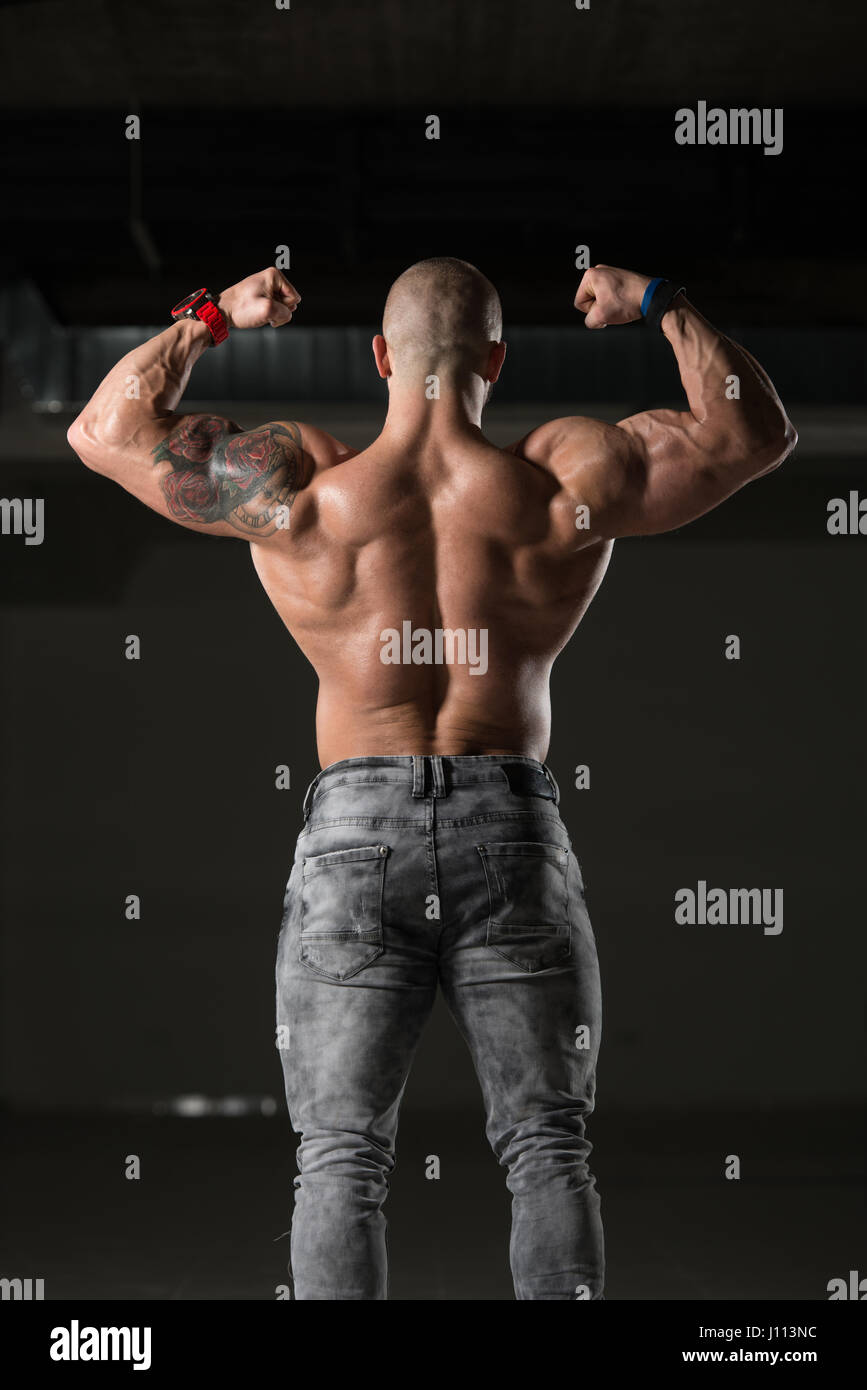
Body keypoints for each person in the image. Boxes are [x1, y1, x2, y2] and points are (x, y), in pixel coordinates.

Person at [67, 258, 796, 1299]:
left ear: (378, 357)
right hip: (511, 824)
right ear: (497, 359)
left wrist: (212, 318)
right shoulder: (561, 481)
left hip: (354, 834)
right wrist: (662, 301)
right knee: (547, 1145)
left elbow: (103, 431)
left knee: (340, 1155)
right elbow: (752, 434)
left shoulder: (301, 487)